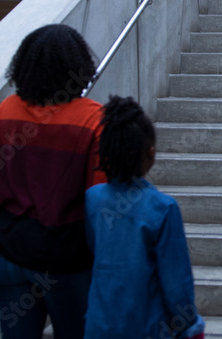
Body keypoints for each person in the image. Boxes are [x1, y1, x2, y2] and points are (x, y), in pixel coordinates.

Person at [0, 24, 105, 339]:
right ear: (79, 67)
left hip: (10, 250)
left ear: (25, 65)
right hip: (67, 259)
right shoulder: (93, 118)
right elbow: (99, 198)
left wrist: (20, 209)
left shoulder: (7, 111)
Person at [83, 96, 205, 339]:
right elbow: (176, 282)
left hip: (99, 326)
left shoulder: (93, 200)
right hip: (145, 327)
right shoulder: (162, 208)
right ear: (150, 153)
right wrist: (189, 326)